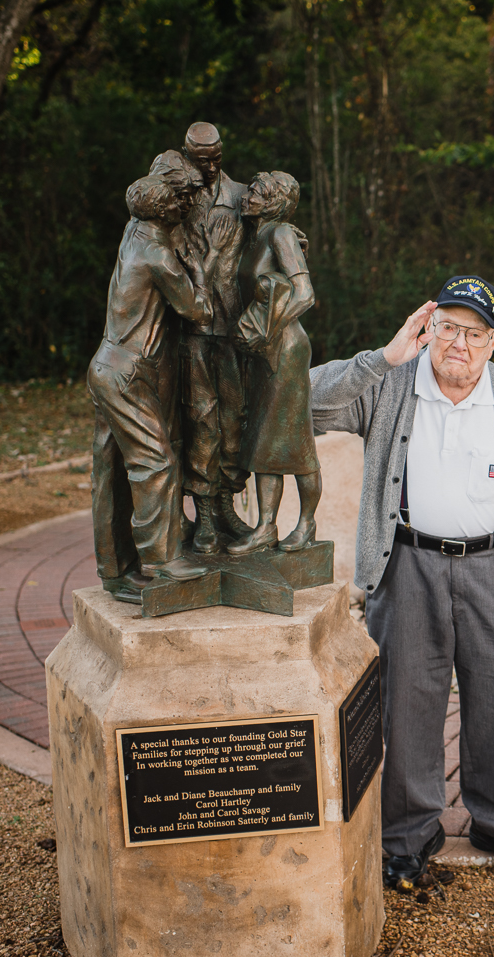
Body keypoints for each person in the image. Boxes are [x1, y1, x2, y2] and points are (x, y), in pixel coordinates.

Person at [308, 275, 494, 885]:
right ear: (427, 328)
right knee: (405, 704)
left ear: (493, 341)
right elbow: (302, 401)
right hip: (408, 566)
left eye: (474, 333)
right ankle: (408, 835)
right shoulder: (390, 384)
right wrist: (382, 357)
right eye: (448, 327)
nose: (459, 343)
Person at [89, 174, 233, 600]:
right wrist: (209, 260)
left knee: (110, 473)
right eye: (176, 202)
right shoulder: (158, 255)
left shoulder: (133, 233)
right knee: (157, 463)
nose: (183, 207)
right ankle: (161, 561)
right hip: (129, 374)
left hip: (106, 364)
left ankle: (115, 570)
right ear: (161, 210)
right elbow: (199, 309)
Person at [228, 170, 321, 553]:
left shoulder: (280, 234)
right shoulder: (255, 235)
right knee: (265, 439)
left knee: (295, 442)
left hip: (286, 349)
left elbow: (305, 294)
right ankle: (266, 526)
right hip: (263, 349)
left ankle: (306, 523)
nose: (246, 196)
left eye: (256, 192)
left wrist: (268, 328)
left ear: (275, 203)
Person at [172, 122, 254, 552]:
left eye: (215, 159)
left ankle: (226, 505)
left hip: (234, 324)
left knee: (234, 418)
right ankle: (203, 513)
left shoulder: (240, 196)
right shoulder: (178, 198)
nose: (209, 167)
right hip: (194, 327)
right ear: (187, 156)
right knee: (201, 419)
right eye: (201, 161)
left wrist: (291, 239)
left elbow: (264, 238)